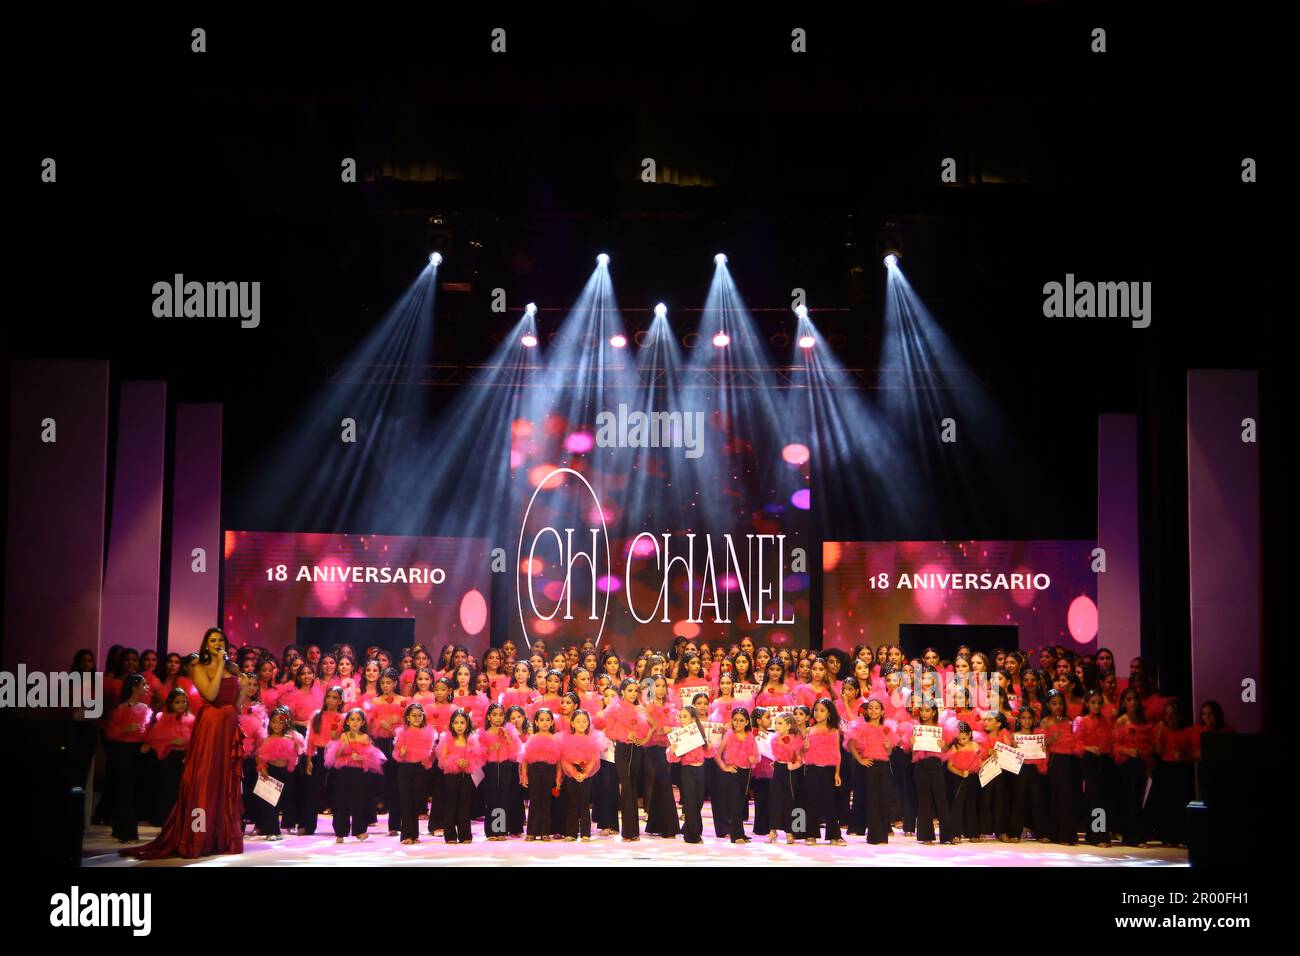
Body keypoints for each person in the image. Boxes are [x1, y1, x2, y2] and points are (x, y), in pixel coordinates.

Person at [124, 628, 252, 859]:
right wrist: (221, 665)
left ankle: (220, 836)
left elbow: (238, 704)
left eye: (221, 640)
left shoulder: (233, 670)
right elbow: (211, 695)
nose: (217, 643)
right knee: (204, 779)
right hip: (211, 726)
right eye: (213, 640)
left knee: (225, 781)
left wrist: (242, 689)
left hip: (228, 724)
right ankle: (198, 834)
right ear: (205, 645)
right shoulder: (199, 668)